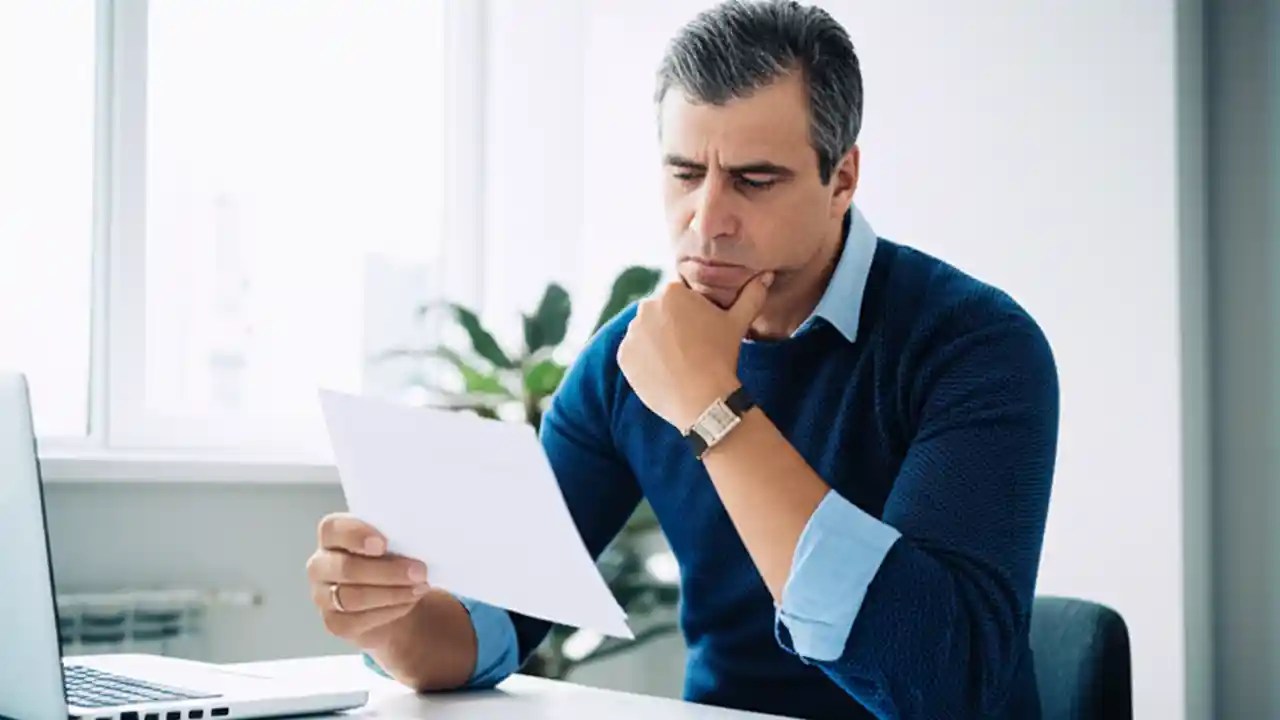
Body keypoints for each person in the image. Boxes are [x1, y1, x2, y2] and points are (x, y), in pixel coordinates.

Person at [305, 1, 1059, 718]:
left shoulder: (976, 346)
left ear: (842, 180)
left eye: (754, 181)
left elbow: (946, 684)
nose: (707, 221)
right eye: (685, 173)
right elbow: (495, 621)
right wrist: (389, 619)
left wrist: (713, 407)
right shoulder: (627, 363)